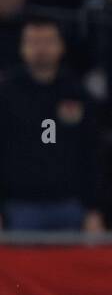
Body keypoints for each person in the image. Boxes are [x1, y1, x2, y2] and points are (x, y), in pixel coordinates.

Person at [0, 17, 102, 233]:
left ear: (61, 46)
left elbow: (92, 152)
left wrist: (94, 208)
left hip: (70, 204)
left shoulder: (77, 93)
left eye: (47, 41)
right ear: (22, 47)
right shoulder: (6, 94)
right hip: (19, 205)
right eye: (33, 42)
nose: (41, 49)